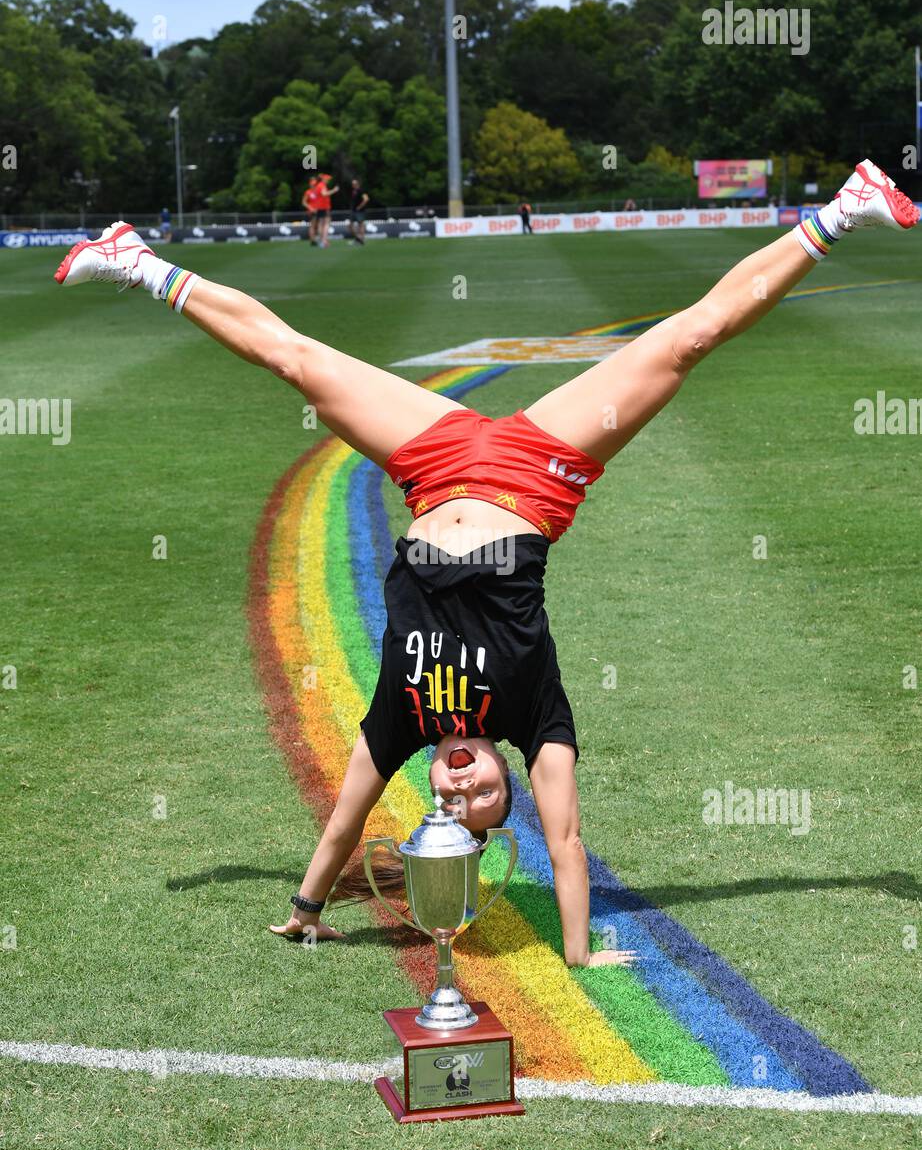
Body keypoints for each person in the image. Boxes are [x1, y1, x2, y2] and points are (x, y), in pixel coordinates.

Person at [53, 159, 919, 968]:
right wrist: (579, 950)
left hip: (434, 468)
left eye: (449, 804)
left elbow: (345, 819)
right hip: (537, 476)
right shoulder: (536, 716)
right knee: (684, 342)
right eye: (482, 804)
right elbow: (570, 841)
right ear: (509, 780)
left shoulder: (402, 719)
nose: (460, 793)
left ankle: (133, 262)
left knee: (300, 364)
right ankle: (845, 209)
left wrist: (308, 906)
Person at [315, 172, 339, 249]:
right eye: (327, 179)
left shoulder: (319, 185)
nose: (328, 181)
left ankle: (321, 240)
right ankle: (324, 241)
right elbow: (324, 194)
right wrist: (334, 190)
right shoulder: (322, 185)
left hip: (320, 207)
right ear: (323, 179)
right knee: (326, 224)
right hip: (324, 207)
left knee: (321, 224)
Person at [348, 178, 370, 244]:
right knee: (350, 225)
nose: (353, 185)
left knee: (361, 225)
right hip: (354, 211)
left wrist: (360, 206)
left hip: (360, 211)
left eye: (354, 184)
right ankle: (358, 238)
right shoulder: (354, 191)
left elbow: (366, 199)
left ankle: (361, 239)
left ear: (357, 184)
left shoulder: (361, 190)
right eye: (352, 184)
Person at [301, 176, 320, 246]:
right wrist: (311, 208)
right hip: (312, 211)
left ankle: (316, 239)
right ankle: (313, 240)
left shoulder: (318, 192)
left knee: (318, 226)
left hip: (319, 210)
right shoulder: (308, 192)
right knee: (313, 226)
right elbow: (304, 202)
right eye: (312, 183)